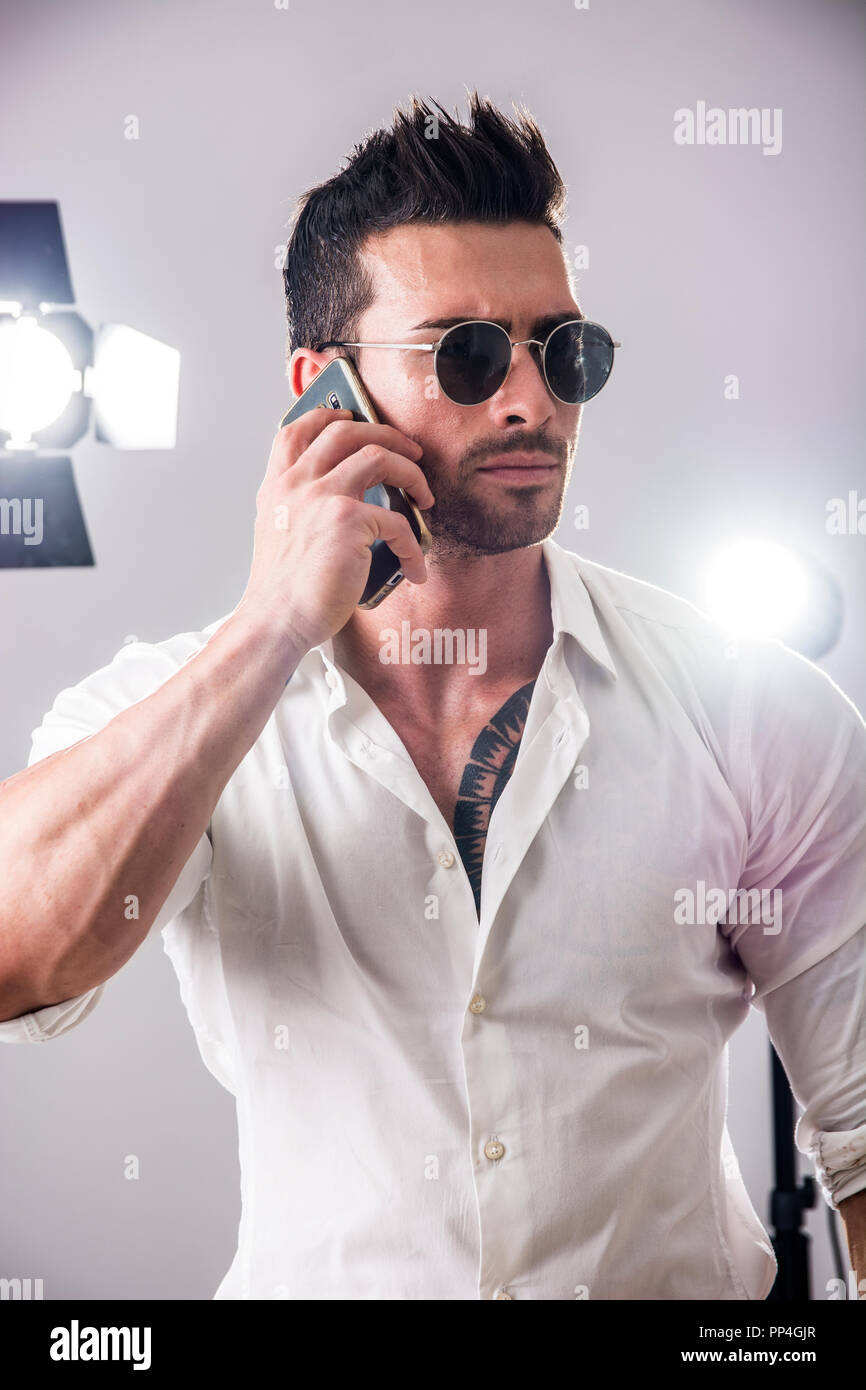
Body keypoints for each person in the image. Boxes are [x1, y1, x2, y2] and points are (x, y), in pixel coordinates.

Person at [0, 92, 864, 1301]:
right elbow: (15, 954)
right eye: (462, 353)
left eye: (562, 351)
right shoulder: (169, 704)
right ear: (322, 390)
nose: (527, 402)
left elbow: (861, 1131)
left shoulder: (753, 710)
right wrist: (270, 629)